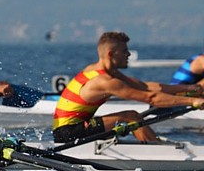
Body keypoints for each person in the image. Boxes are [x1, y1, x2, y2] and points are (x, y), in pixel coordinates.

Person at [52, 31, 204, 143]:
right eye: (124, 51)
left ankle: (152, 146)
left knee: (131, 116)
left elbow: (146, 87)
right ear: (111, 54)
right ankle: (156, 150)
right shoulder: (105, 81)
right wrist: (192, 102)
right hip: (67, 133)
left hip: (76, 127)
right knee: (131, 116)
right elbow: (151, 98)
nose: (129, 54)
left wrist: (192, 89)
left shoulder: (98, 70)